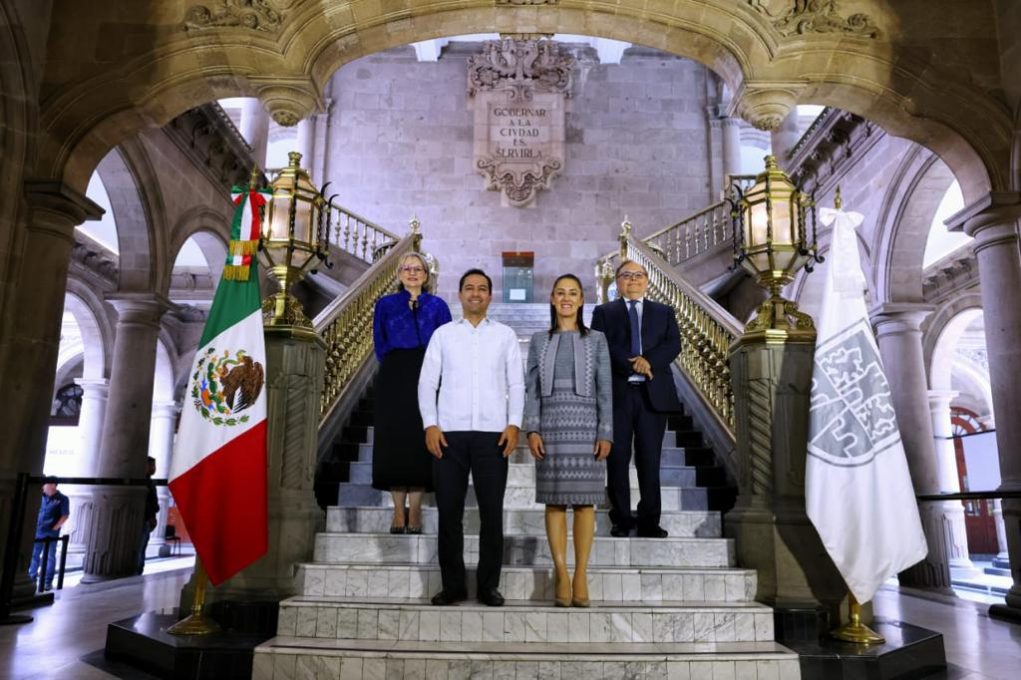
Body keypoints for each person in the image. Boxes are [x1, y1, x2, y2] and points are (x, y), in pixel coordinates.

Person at [418, 268, 523, 607]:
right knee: (449, 513)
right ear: (460, 294)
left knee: (492, 513)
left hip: (494, 435)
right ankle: (453, 585)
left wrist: (514, 424)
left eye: (482, 288)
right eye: (469, 288)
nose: (475, 293)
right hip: (449, 435)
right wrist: (430, 424)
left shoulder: (505, 335)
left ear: (490, 296)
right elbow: (426, 383)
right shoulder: (443, 335)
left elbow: (516, 384)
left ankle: (489, 585)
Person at [524, 274, 612, 607]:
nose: (566, 298)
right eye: (560, 293)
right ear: (551, 298)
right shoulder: (538, 340)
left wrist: (606, 431)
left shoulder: (598, 340)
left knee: (586, 502)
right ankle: (561, 572)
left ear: (581, 300)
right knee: (555, 501)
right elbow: (530, 388)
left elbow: (606, 388)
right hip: (551, 426)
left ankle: (581, 574)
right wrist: (531, 428)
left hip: (587, 425)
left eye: (573, 293)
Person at [591, 260, 682, 538]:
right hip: (618, 394)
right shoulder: (604, 312)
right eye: (626, 275)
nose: (633, 280)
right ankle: (621, 519)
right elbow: (600, 344)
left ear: (646, 280)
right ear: (617, 282)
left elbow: (673, 344)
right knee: (617, 459)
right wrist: (633, 364)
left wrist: (648, 361)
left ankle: (649, 520)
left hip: (652, 396)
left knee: (649, 458)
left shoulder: (663, 312)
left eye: (638, 275)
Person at [372, 252, 452, 533]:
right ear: (399, 273)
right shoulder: (385, 305)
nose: (413, 273)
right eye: (407, 268)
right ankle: (397, 512)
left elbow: (446, 342)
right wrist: (397, 363)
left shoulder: (438, 306)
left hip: (428, 373)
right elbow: (379, 343)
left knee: (419, 441)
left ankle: (415, 511)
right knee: (395, 442)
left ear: (426, 275)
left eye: (418, 269)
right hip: (395, 375)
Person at [28, 476, 69, 591]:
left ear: (52, 485)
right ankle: (32, 579)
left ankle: (47, 582)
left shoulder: (62, 499)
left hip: (52, 534)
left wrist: (55, 528)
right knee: (34, 556)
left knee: (50, 557)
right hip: (37, 532)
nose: (42, 487)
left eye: (45, 484)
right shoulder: (40, 496)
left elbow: (65, 515)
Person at [137, 456, 159, 574]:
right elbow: (147, 503)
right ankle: (136, 570)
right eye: (151, 465)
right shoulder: (144, 483)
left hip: (148, 519)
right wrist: (151, 515)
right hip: (143, 519)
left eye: (154, 466)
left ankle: (139, 570)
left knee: (143, 546)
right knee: (140, 547)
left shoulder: (150, 482)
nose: (153, 468)